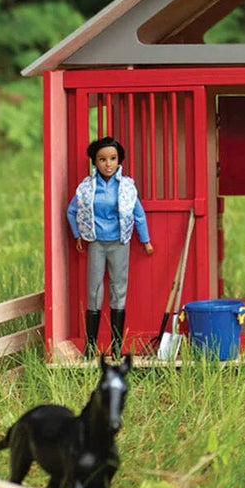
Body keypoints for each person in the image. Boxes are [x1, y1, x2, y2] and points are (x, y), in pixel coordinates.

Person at [67, 136, 154, 357]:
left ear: (119, 160)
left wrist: (145, 240)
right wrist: (78, 234)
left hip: (119, 242)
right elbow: (71, 211)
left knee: (119, 288)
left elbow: (138, 214)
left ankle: (116, 347)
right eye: (102, 159)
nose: (108, 164)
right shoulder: (88, 187)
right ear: (95, 161)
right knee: (94, 289)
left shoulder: (126, 187)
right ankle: (90, 347)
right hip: (96, 242)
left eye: (113, 158)